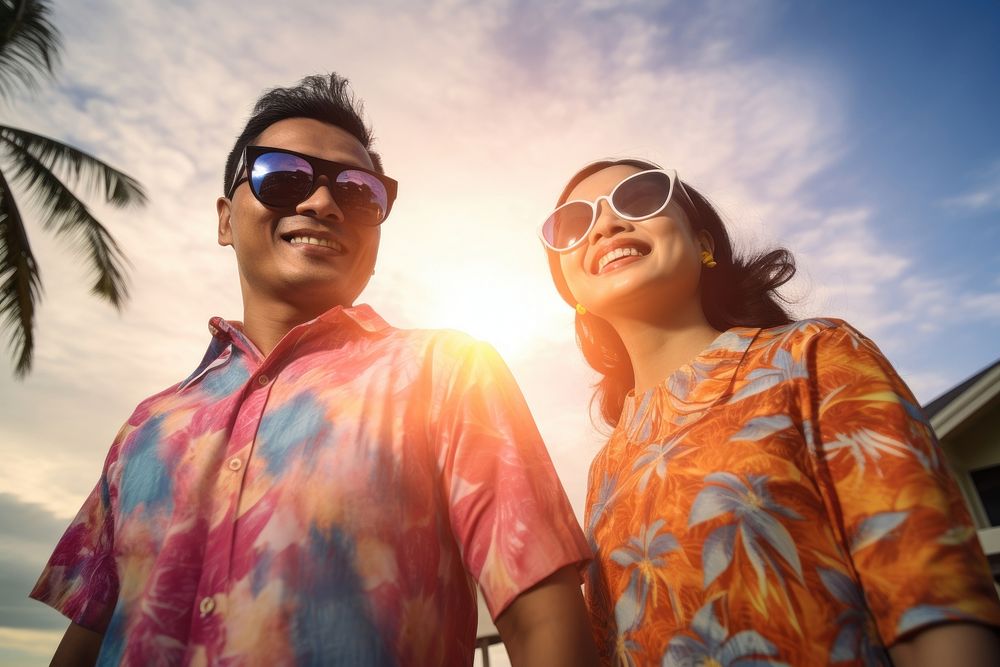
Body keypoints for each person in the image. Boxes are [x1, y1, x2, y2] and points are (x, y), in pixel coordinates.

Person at [31, 73, 597, 667]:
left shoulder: (448, 373)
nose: (323, 203)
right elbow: (89, 635)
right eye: (281, 176)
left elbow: (544, 625)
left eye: (359, 192)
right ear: (225, 220)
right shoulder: (147, 426)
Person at [538, 157, 1000, 666]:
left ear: (703, 243)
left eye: (640, 197)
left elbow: (929, 586)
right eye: (574, 223)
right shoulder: (604, 472)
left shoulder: (815, 355)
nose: (606, 224)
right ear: (571, 291)